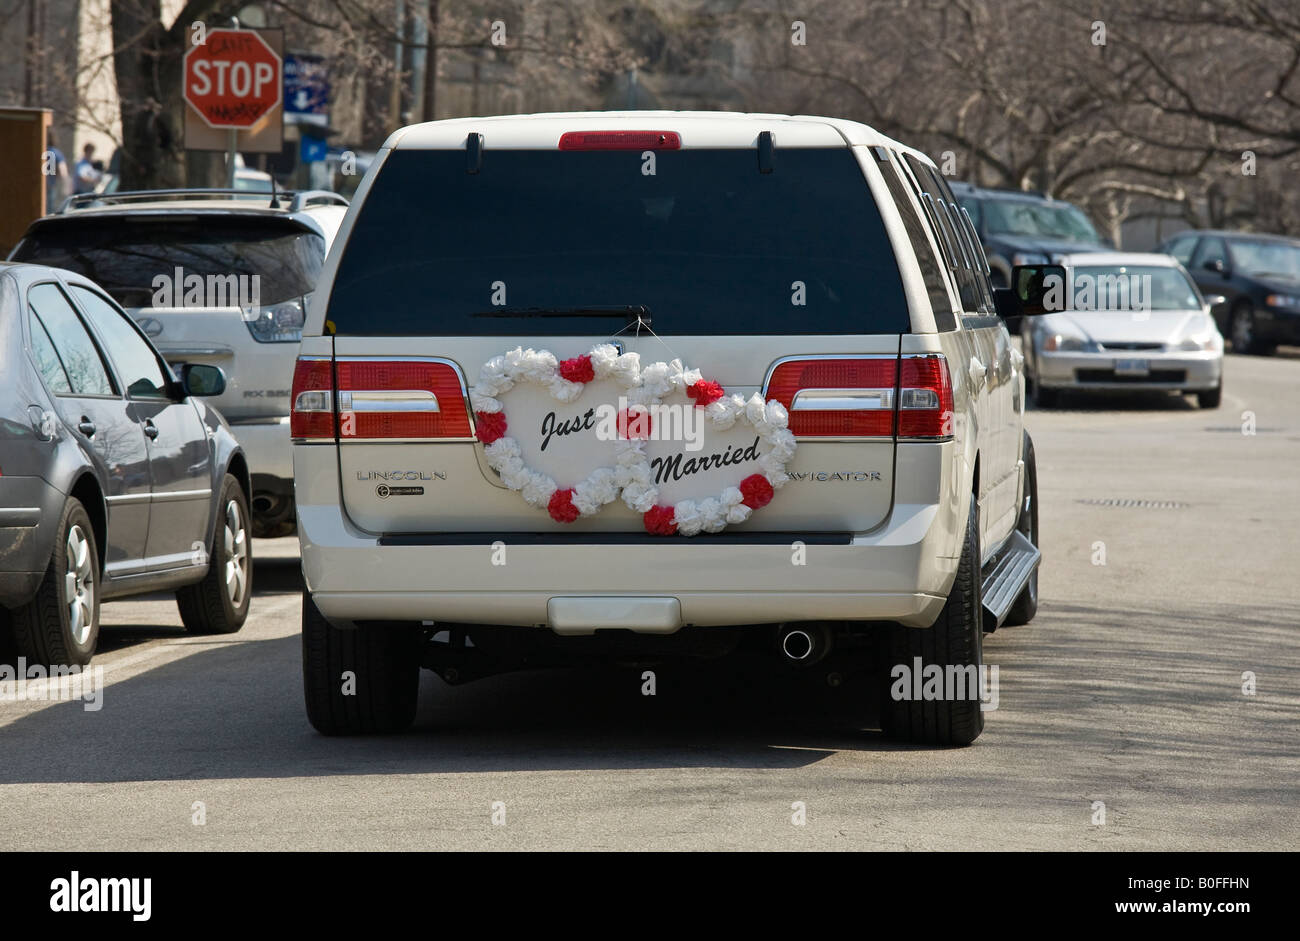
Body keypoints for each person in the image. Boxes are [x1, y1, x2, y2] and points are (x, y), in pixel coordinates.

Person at [44, 129, 70, 211]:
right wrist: (65, 186)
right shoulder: (55, 153)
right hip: (51, 185)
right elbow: (63, 172)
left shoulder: (40, 151)